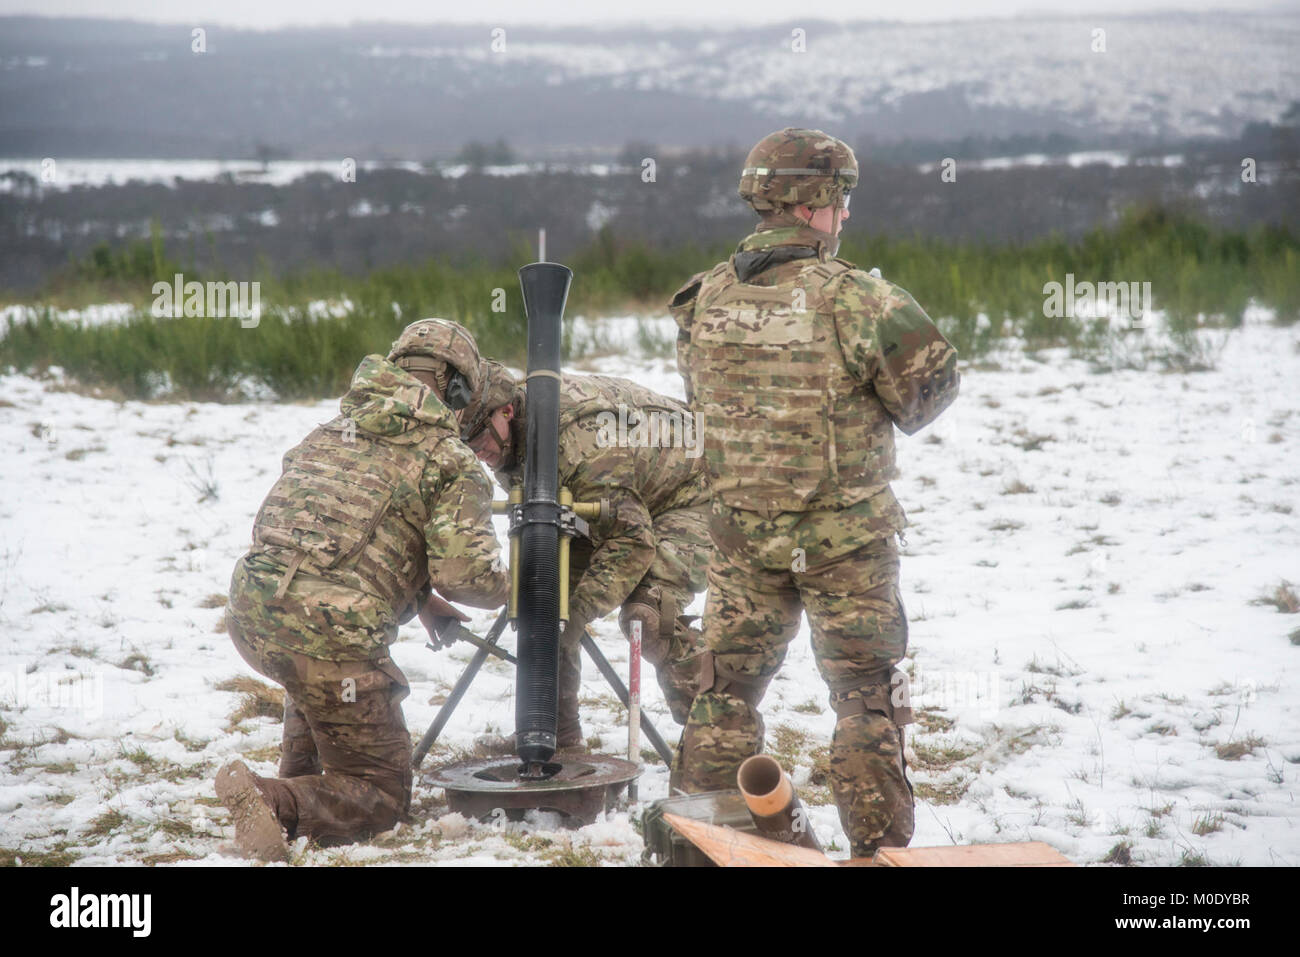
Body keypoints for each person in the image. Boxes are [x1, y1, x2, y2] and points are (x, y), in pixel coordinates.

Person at [668, 127, 960, 857]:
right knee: (867, 696)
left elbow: (706, 400)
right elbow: (927, 398)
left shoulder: (703, 299)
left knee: (723, 694)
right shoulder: (861, 300)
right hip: (846, 544)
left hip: (739, 539)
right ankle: (879, 854)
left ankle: (702, 847)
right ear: (812, 205)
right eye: (843, 199)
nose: (848, 215)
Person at [217, 319, 509, 861]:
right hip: (330, 639)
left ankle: (297, 778)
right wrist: (520, 588)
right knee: (382, 795)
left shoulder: (329, 433)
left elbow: (337, 545)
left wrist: (419, 601)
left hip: (251, 616)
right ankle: (273, 801)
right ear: (459, 391)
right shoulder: (449, 460)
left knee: (311, 645)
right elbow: (469, 576)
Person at [459, 360, 712, 747]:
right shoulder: (510, 436)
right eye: (469, 447)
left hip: (692, 492)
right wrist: (550, 612)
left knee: (649, 616)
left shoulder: (577, 442)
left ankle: (718, 740)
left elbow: (631, 541)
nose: (480, 453)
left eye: (481, 441)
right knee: (541, 599)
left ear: (506, 412)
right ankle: (553, 735)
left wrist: (577, 614)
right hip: (608, 502)